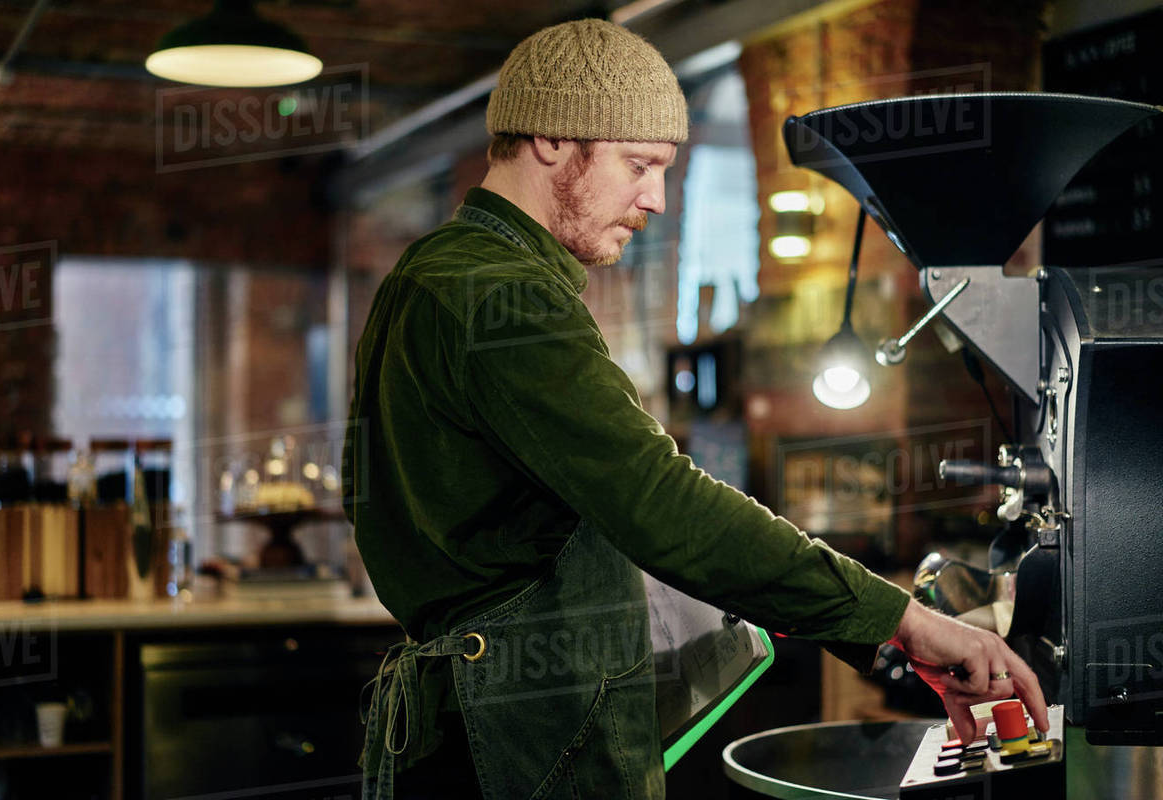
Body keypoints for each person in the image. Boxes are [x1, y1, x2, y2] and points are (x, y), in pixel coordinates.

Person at [342, 18, 1048, 800]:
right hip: (514, 740)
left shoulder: (442, 274)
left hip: (484, 722)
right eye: (639, 165)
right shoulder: (497, 293)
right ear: (549, 139)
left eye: (667, 169)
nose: (657, 199)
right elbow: (660, 502)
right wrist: (903, 618)